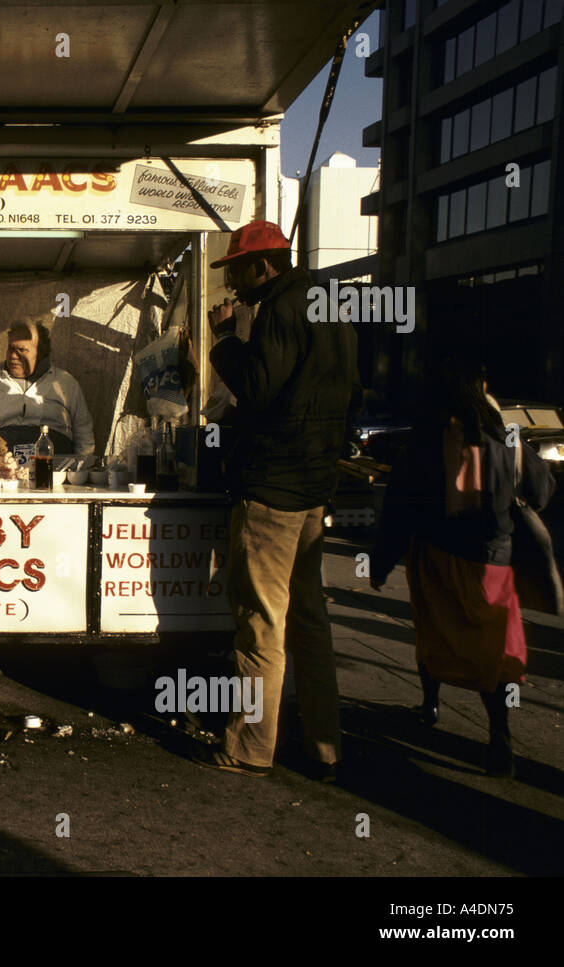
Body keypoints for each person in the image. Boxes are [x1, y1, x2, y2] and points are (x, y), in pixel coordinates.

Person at [195, 220, 360, 781]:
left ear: (262, 265)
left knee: (261, 624)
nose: (234, 285)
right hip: (313, 487)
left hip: (272, 490)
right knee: (309, 622)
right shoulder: (329, 304)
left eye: (237, 270)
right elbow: (345, 392)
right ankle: (324, 747)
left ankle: (249, 748)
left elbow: (259, 387)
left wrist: (225, 340)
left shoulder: (277, 311)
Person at [370, 357, 552, 777]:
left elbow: (399, 507)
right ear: (483, 385)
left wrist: (381, 562)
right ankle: (499, 734)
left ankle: (430, 704)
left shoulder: (426, 436)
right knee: (498, 651)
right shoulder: (505, 436)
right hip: (494, 562)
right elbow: (541, 491)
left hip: (435, 555)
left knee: (433, 632)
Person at [0, 317, 94, 455]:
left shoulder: (65, 382)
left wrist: (78, 467)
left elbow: (83, 428)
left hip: (52, 463)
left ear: (40, 352)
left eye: (21, 350)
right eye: (10, 348)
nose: (13, 355)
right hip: (1, 461)